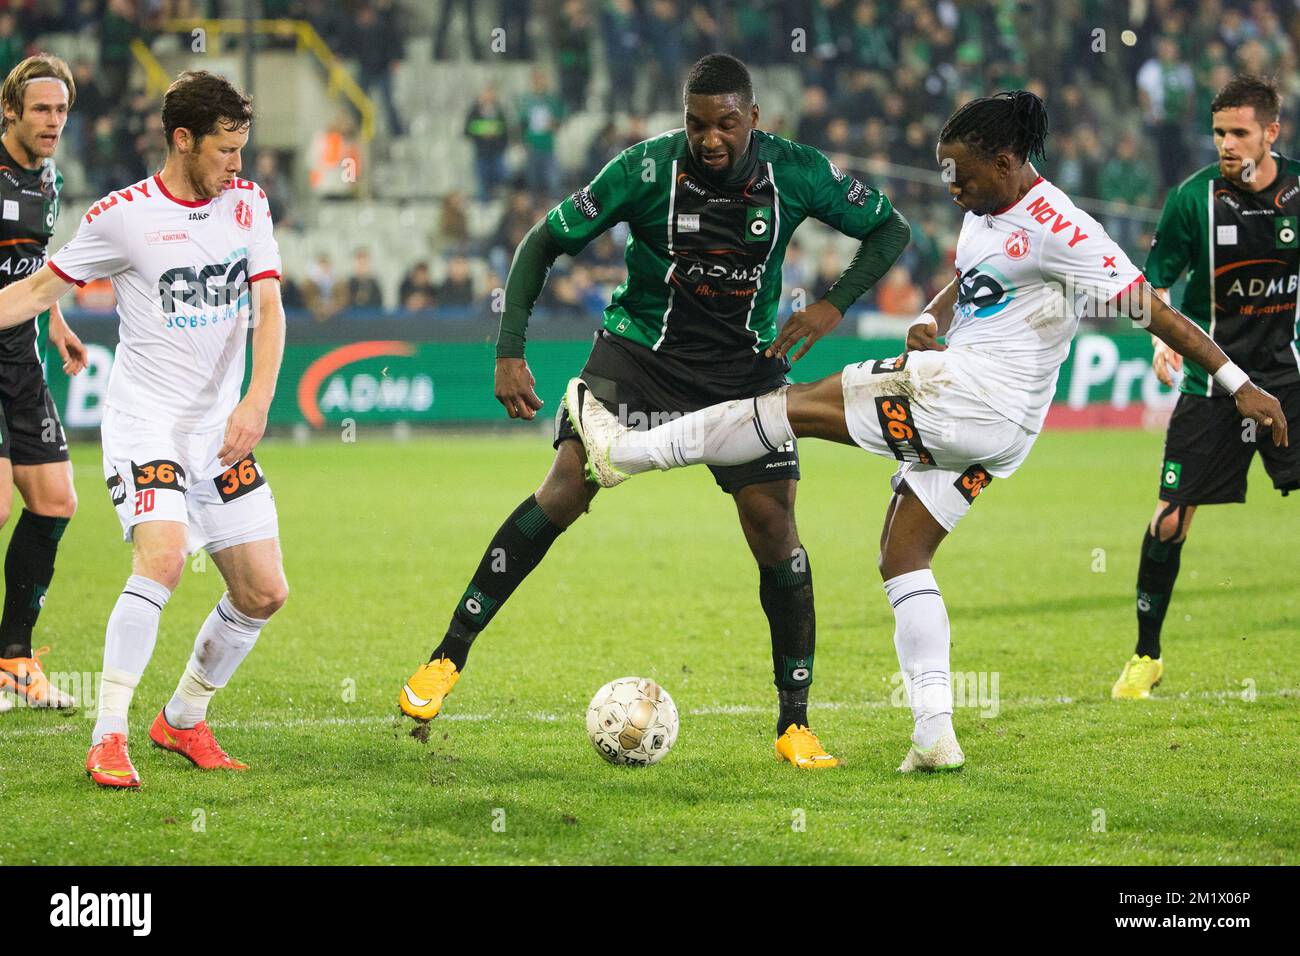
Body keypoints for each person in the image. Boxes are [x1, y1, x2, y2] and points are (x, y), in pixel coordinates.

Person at [562, 91, 1287, 773]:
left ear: (1004, 163)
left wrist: (1238, 384)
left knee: (785, 406)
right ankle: (935, 734)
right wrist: (931, 319)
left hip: (972, 400)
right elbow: (969, 277)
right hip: (996, 425)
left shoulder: (1064, 229)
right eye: (946, 172)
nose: (950, 186)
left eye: (960, 174)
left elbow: (1157, 313)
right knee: (903, 554)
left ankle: (626, 452)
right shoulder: (989, 205)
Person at [397, 53, 911, 769]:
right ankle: (446, 659)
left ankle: (794, 722)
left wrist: (831, 305)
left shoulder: (794, 171)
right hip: (639, 358)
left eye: (726, 124)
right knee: (565, 488)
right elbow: (543, 242)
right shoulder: (643, 172)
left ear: (753, 119)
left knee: (774, 527)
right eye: (696, 124)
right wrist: (508, 350)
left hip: (743, 371)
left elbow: (890, 229)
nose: (710, 139)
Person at [0, 70, 289, 788]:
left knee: (263, 593)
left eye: (242, 149)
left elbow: (272, 311)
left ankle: (182, 720)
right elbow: (38, 290)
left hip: (220, 431)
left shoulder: (248, 205)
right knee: (161, 560)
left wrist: (256, 400)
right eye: (225, 150)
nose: (237, 165)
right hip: (145, 425)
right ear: (183, 140)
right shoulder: (122, 216)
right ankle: (108, 737)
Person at [1112, 74, 1300, 700]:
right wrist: (1163, 337)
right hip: (1211, 380)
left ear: (1272, 132)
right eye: (1219, 132)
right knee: (1170, 519)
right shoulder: (1193, 199)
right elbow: (1154, 286)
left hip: (1285, 377)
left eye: (1240, 132)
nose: (1227, 143)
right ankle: (1146, 655)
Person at [0, 55, 87, 712]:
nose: (54, 121)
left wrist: (54, 320)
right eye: (41, 110)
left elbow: (35, 264)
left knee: (55, 500)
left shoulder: (51, 178)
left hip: (22, 356)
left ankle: (15, 661)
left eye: (61, 110)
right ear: (11, 112)